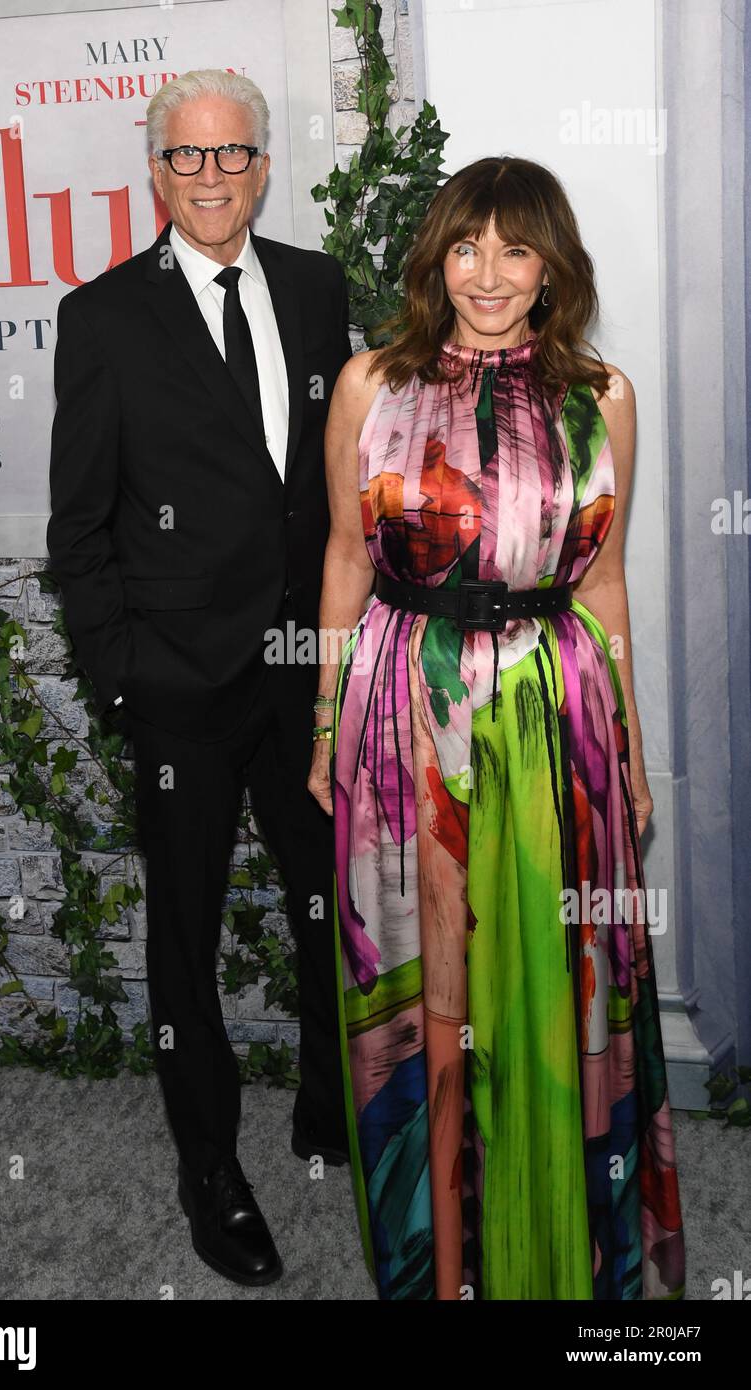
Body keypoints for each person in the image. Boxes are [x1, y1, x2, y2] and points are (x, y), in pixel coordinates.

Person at [308, 156, 686, 1301]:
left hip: (546, 701)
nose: (486, 273)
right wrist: (324, 724)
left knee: (543, 983)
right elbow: (338, 558)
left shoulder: (601, 394)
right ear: (436, 256)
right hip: (402, 698)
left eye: (513, 249)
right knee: (434, 998)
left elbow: (604, 586)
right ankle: (441, 1268)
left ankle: (547, 1258)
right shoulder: (370, 383)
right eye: (464, 245)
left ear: (548, 266)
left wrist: (622, 743)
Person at [47, 69, 352, 1288]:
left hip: (304, 675)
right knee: (182, 931)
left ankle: (334, 1108)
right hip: (177, 680)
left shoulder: (320, 288)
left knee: (329, 904)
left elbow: (335, 485)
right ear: (157, 170)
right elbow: (81, 529)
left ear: (263, 165)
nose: (212, 176)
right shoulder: (105, 316)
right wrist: (124, 679)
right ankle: (207, 1165)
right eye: (188, 157)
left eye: (232, 155)